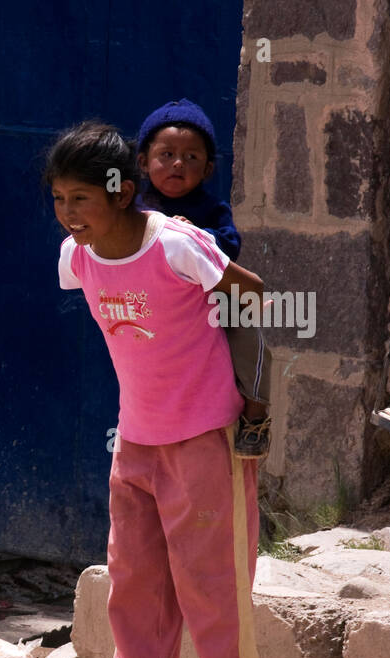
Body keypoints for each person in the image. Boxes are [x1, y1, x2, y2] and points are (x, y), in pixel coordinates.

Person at [47, 120, 271, 658]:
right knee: (135, 586)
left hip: (204, 437)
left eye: (80, 199)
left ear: (120, 192)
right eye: (60, 200)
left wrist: (253, 400)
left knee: (212, 585)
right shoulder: (76, 257)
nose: (68, 215)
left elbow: (249, 294)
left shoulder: (176, 245)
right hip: (136, 441)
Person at [136, 98, 271, 459]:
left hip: (214, 301)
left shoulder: (212, 209)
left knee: (251, 335)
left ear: (208, 169)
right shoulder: (135, 210)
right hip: (156, 307)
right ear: (143, 162)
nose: (178, 163)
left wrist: (195, 234)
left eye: (191, 157)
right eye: (166, 154)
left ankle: (256, 417)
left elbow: (230, 244)